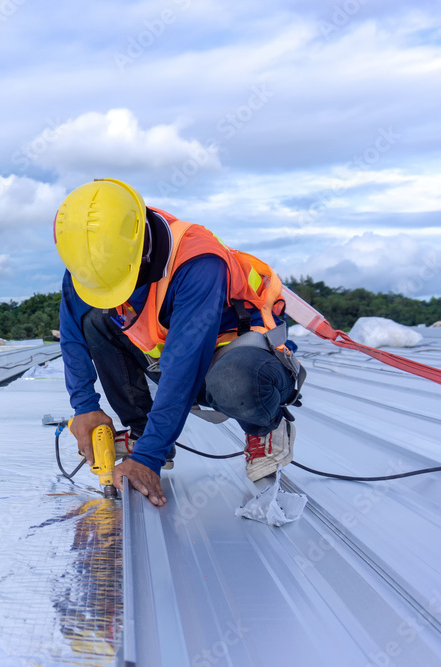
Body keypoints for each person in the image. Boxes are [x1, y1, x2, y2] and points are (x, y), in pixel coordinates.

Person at [55, 179, 304, 507]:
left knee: (234, 381)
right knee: (99, 320)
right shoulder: (92, 257)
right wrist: (84, 406)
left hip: (240, 355)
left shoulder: (198, 262)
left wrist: (148, 459)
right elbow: (74, 331)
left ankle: (265, 428)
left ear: (141, 248)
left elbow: (182, 367)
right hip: (180, 354)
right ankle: (145, 432)